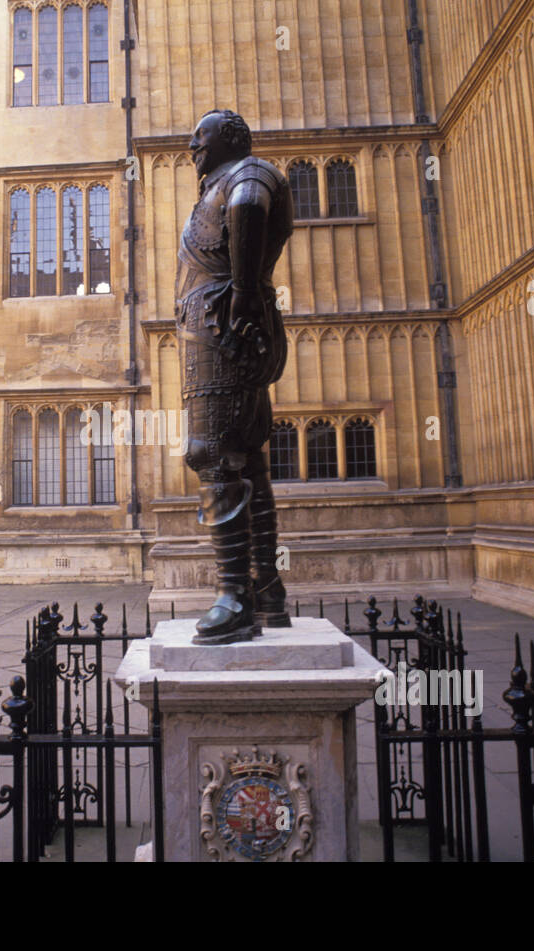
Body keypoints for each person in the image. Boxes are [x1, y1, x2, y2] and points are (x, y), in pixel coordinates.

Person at [174, 109, 294, 645]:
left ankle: (234, 596)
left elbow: (250, 205)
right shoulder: (217, 184)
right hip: (211, 329)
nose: (192, 147)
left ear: (233, 139)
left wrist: (244, 289)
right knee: (248, 455)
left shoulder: (249, 173)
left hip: (227, 328)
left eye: (201, 138)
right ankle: (266, 590)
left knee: (212, 451)